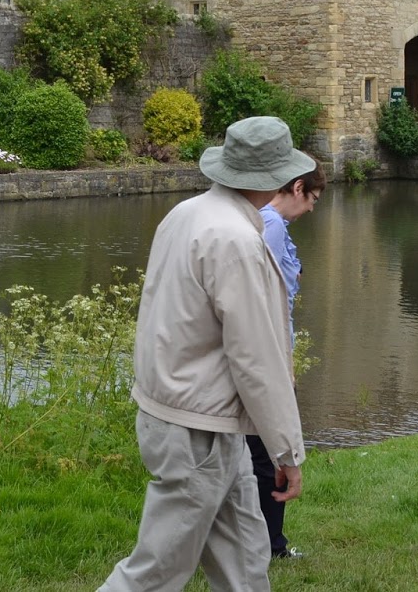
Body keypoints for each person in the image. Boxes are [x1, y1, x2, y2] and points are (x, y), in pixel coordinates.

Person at [97, 116, 309, 592]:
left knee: (245, 558)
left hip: (193, 418)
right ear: (277, 178)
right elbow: (258, 357)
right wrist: (286, 450)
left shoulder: (188, 213)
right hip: (197, 430)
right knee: (156, 571)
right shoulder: (236, 241)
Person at [246, 161, 324, 561]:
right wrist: (285, 364)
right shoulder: (272, 227)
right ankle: (271, 546)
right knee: (271, 454)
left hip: (268, 353)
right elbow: (270, 304)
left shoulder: (262, 221)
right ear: (297, 188)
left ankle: (258, 542)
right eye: (312, 199)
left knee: (256, 453)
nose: (312, 209)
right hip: (271, 356)